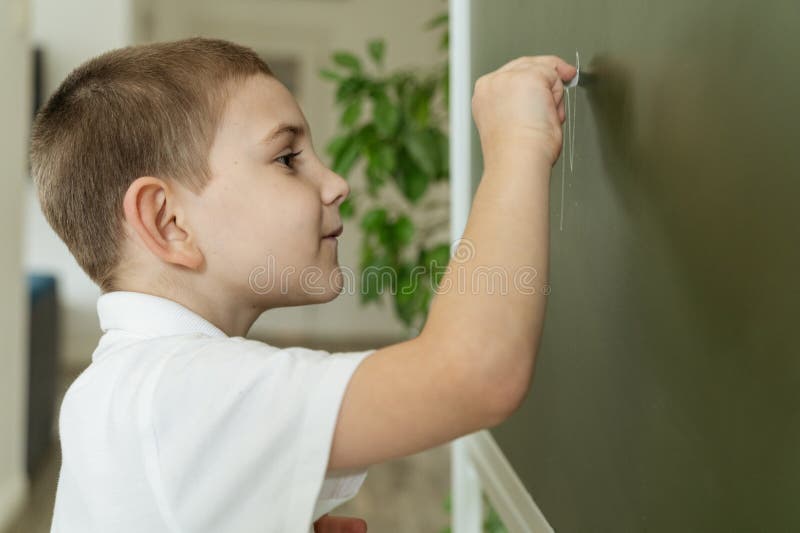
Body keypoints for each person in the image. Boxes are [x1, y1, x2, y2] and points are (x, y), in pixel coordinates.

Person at [30, 37, 575, 532]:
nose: (337, 184)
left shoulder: (121, 391)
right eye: (288, 159)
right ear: (169, 222)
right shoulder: (175, 392)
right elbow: (473, 373)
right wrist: (518, 144)